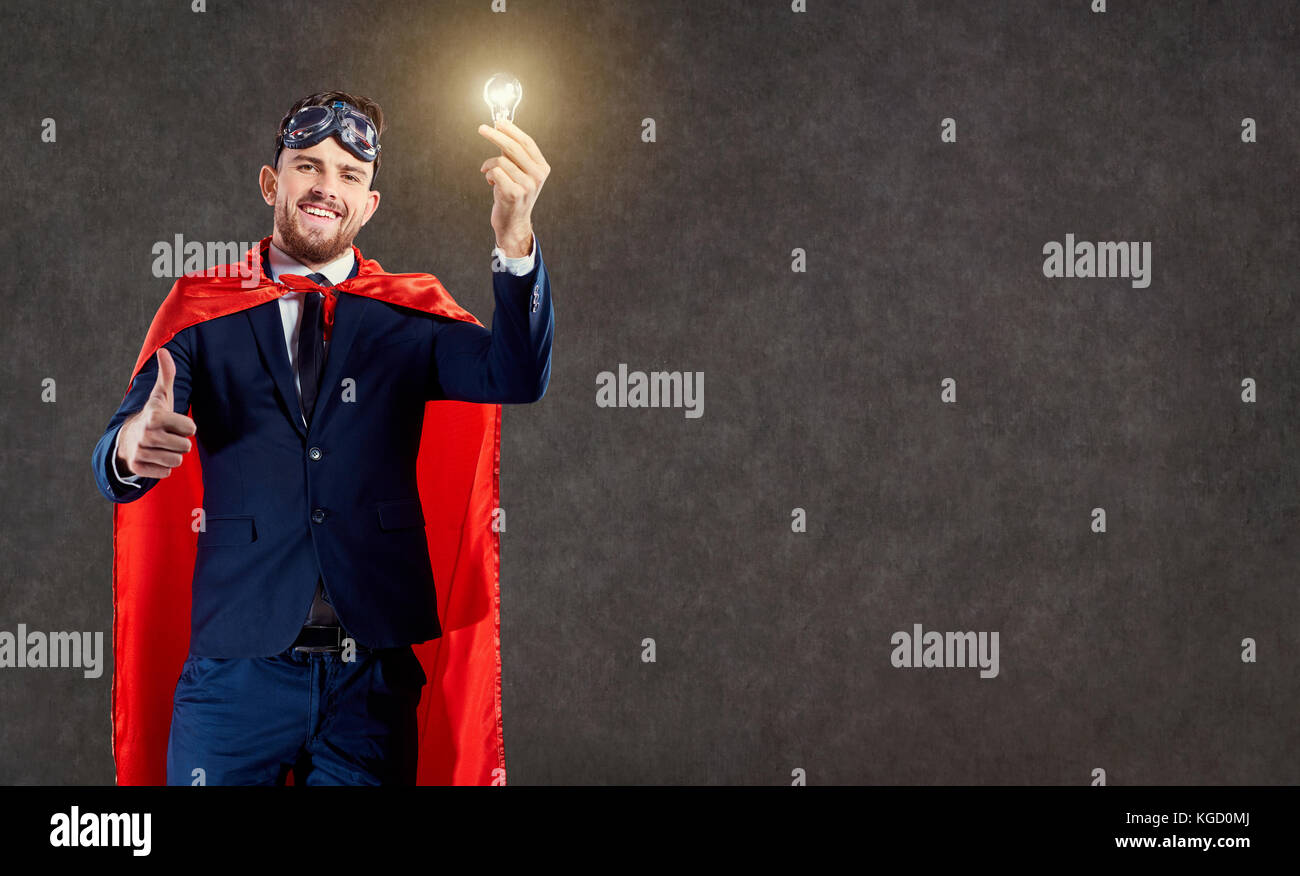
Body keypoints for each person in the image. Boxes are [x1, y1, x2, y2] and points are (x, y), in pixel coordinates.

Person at [90, 90, 553, 785]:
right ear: (273, 182)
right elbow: (114, 456)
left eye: (349, 176)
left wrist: (515, 241)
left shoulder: (409, 314)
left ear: (368, 205)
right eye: (309, 167)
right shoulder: (198, 310)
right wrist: (130, 447)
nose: (326, 188)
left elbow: (516, 375)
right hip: (236, 674)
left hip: (370, 677)